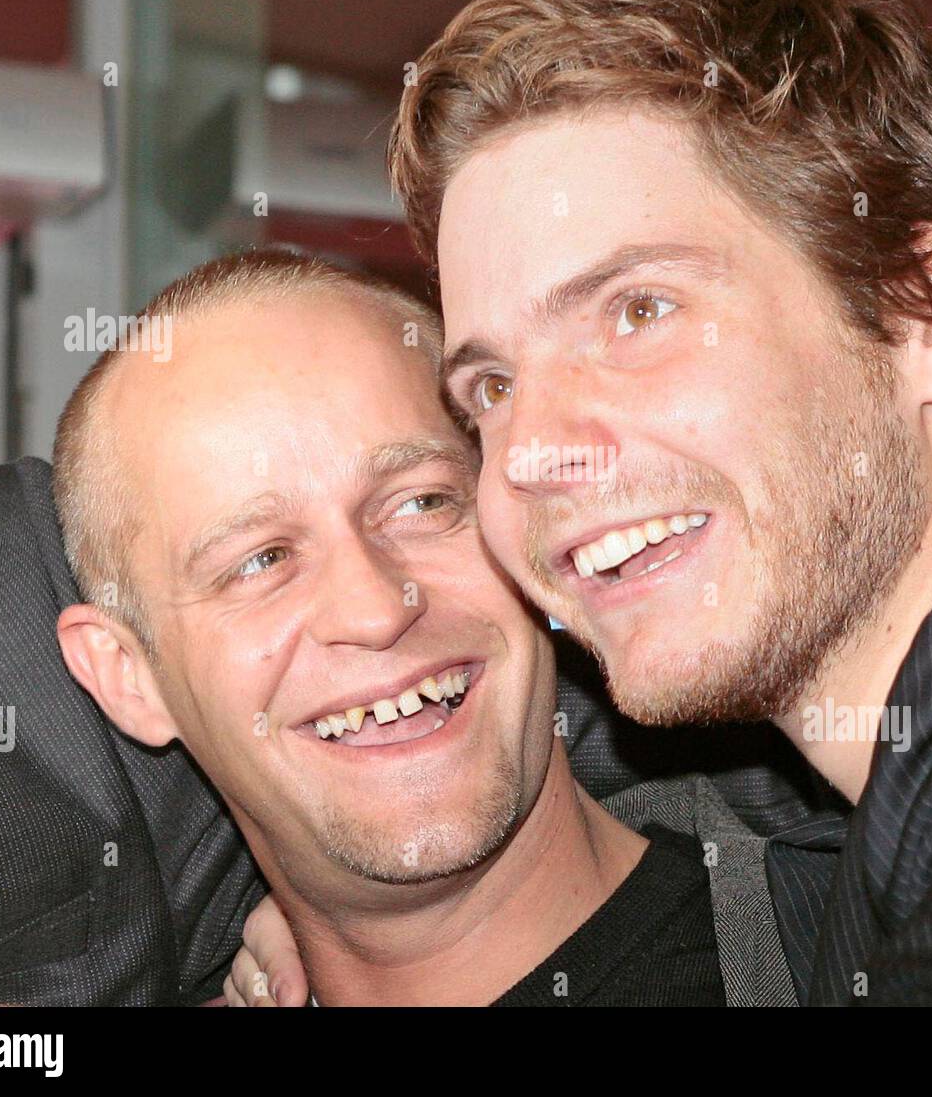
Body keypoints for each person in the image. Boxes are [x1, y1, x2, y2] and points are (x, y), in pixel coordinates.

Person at [237, 0, 932, 1005]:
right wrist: (355, 898)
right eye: (492, 389)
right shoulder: (830, 756)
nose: (528, 453)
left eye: (638, 311)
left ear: (928, 307)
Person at [51, 248, 795, 1007]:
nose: (376, 610)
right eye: (260, 560)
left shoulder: (835, 946)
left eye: (422, 503)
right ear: (127, 678)